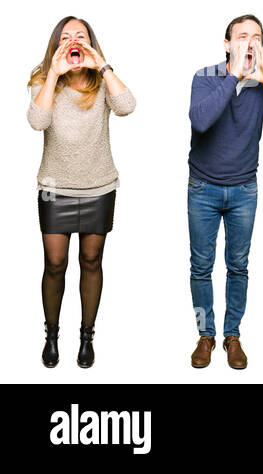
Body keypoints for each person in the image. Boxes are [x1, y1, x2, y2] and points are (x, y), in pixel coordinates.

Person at [187, 14, 263, 370]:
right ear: (227, 44)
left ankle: (232, 335)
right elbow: (200, 120)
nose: (250, 42)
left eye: (257, 37)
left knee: (239, 266)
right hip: (202, 187)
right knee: (201, 267)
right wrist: (234, 75)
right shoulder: (205, 77)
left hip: (244, 190)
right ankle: (206, 335)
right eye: (242, 36)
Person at [27, 16, 135, 368]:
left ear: (90, 43)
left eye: (81, 36)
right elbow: (37, 121)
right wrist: (55, 74)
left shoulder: (102, 79)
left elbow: (127, 106)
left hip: (99, 185)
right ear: (57, 43)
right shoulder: (44, 79)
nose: (73, 40)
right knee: (54, 263)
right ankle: (51, 335)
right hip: (54, 187)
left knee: (91, 261)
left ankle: (87, 337)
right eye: (66, 36)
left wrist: (102, 65)